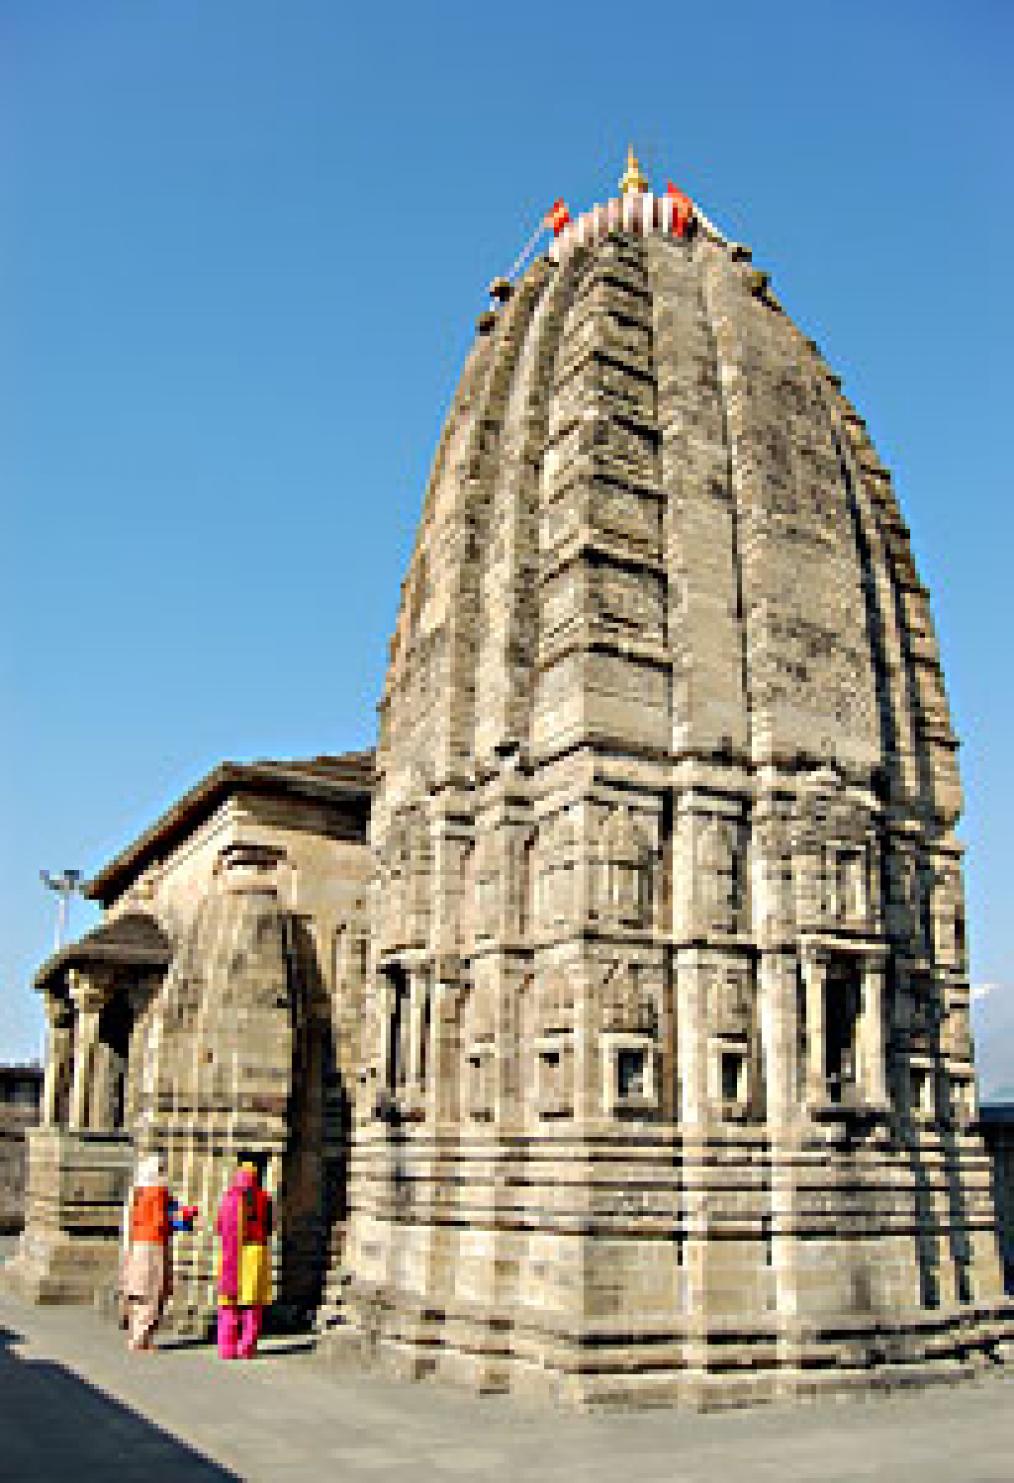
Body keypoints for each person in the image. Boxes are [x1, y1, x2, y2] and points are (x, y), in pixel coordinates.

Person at [119, 1152, 197, 1353]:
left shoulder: (137, 1193)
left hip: (138, 1245)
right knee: (153, 1292)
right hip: (153, 1245)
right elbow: (163, 1221)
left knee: (140, 1292)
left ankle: (139, 1336)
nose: (165, 1174)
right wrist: (183, 1217)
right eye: (162, 1169)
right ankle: (141, 1338)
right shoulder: (156, 1193)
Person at [215, 1161, 272, 1359]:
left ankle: (227, 1347)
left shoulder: (229, 1199)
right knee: (252, 1305)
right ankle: (246, 1347)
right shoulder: (264, 1198)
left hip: (233, 1254)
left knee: (229, 1304)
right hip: (256, 1254)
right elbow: (270, 1227)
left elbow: (220, 1226)